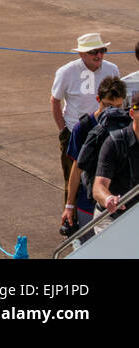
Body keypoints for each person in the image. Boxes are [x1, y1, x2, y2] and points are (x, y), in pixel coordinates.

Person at [52, 33, 121, 206]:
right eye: (93, 52)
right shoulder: (66, 72)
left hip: (105, 131)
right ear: (81, 54)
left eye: (102, 50)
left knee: (105, 175)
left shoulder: (112, 69)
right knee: (72, 177)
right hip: (76, 131)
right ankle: (71, 217)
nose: (99, 55)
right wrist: (63, 130)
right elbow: (55, 100)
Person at [61, 75, 130, 236]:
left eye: (119, 106)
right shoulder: (83, 128)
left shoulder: (127, 126)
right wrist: (69, 206)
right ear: (98, 99)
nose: (113, 111)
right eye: (108, 105)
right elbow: (76, 170)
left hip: (119, 203)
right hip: (88, 204)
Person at [93, 91, 139, 220]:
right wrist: (108, 199)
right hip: (111, 217)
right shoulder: (114, 143)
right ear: (132, 114)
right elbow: (99, 186)